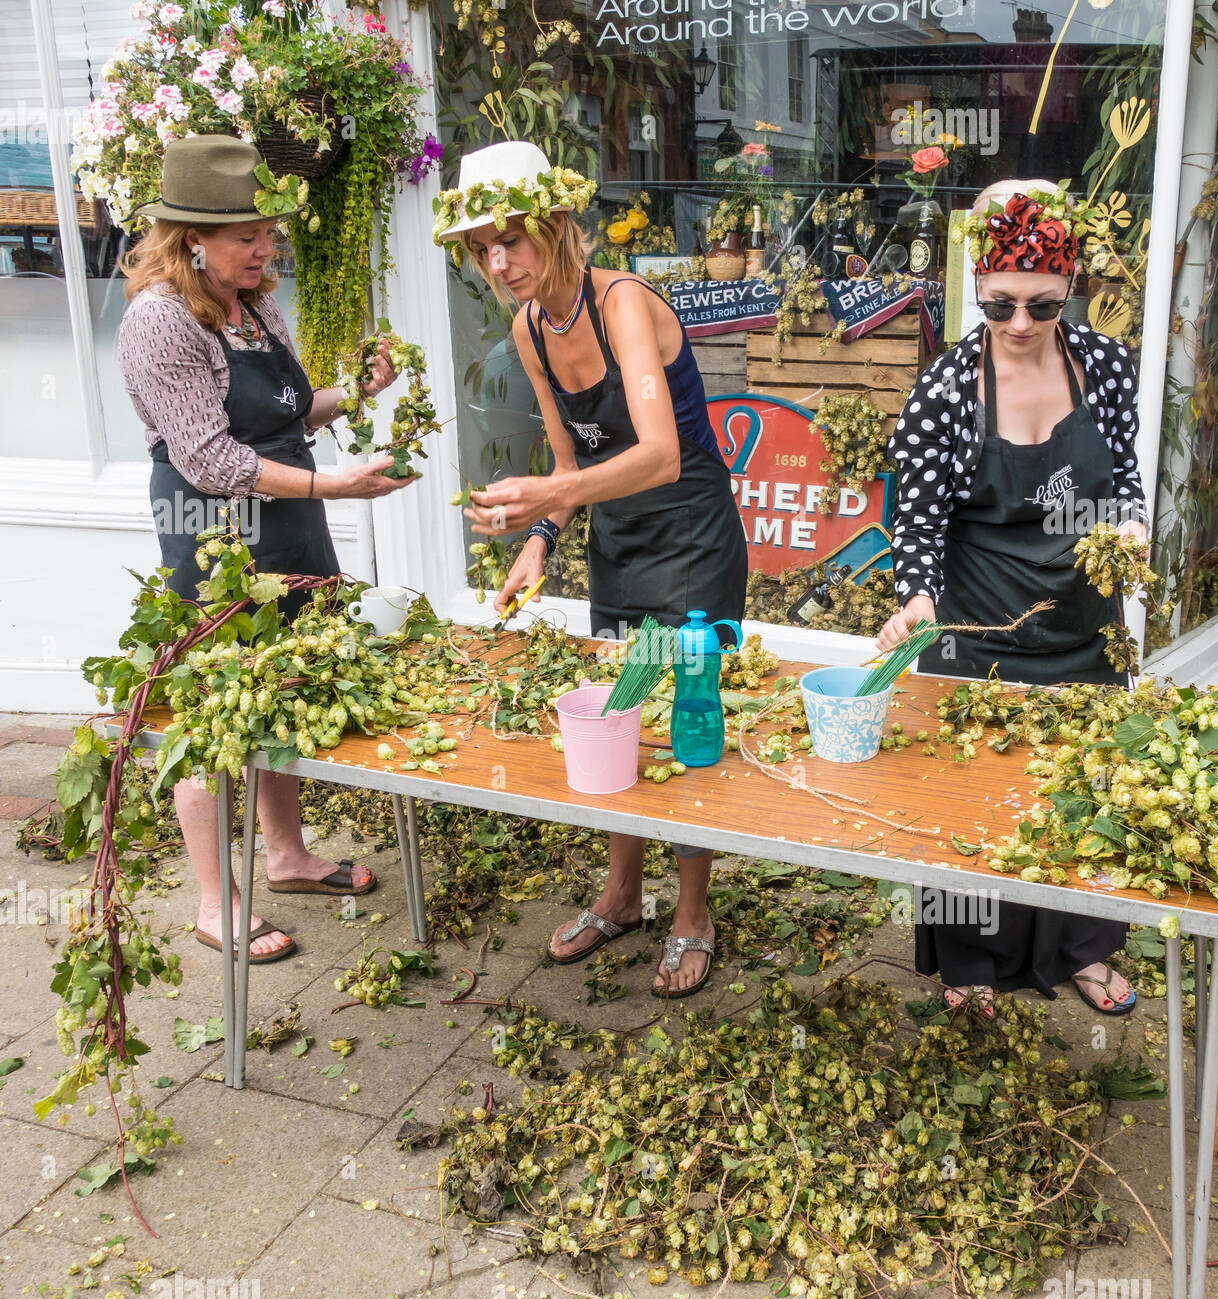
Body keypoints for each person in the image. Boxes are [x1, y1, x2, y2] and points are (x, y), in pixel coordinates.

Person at [433, 141, 749, 998]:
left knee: (685, 719)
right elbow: (570, 460)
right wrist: (538, 541)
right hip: (618, 543)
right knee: (615, 714)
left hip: (690, 537)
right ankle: (621, 894)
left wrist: (549, 491)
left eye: (514, 239)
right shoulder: (531, 328)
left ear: (558, 223)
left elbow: (658, 454)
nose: (500, 262)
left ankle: (692, 911)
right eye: (482, 247)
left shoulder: (624, 306)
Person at [118, 135, 416, 962]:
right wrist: (336, 488)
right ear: (192, 241)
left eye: (267, 232)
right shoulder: (160, 324)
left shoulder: (248, 302)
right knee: (212, 712)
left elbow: (284, 417)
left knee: (281, 686)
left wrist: (355, 392)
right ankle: (218, 899)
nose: (266, 247)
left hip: (288, 520)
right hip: (213, 541)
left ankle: (285, 854)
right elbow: (210, 460)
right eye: (248, 235)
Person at [876, 179, 1147, 1018]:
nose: (1021, 325)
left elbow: (1125, 477)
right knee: (972, 798)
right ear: (977, 290)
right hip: (980, 627)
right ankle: (970, 962)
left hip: (1081, 624)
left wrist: (1130, 525)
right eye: (999, 306)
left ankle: (1084, 950)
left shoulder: (1103, 366)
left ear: (1070, 287)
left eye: (1042, 305)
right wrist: (916, 598)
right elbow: (916, 520)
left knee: (1081, 791)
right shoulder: (948, 390)